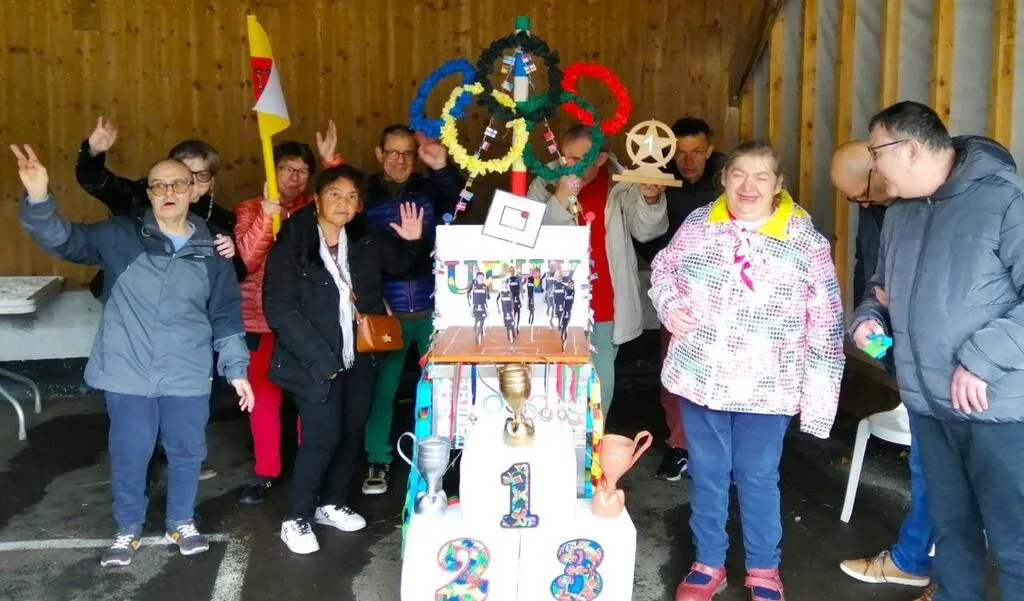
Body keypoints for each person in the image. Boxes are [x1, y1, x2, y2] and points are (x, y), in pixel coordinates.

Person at [14, 145, 255, 567]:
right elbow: (64, 239)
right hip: (127, 370)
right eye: (158, 184)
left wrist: (236, 370)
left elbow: (225, 315)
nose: (168, 192)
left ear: (193, 190)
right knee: (131, 451)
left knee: (187, 451)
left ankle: (181, 520)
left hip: (187, 371)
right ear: (148, 192)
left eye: (177, 184)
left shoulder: (212, 251)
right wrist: (38, 198)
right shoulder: (119, 237)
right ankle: (128, 526)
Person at [649, 140, 845, 601]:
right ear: (724, 179)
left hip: (767, 387)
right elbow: (664, 271)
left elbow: (827, 324)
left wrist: (818, 404)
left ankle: (763, 568)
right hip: (702, 380)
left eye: (761, 176)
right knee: (708, 471)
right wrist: (671, 304)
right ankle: (708, 561)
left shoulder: (804, 242)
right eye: (738, 174)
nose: (748, 185)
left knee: (757, 476)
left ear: (779, 185)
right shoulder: (700, 225)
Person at [851, 101, 1024, 601]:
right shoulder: (900, 214)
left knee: (1015, 544)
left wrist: (982, 359)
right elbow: (880, 288)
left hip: (1000, 411)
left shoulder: (1006, 201)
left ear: (911, 148)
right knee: (952, 535)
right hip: (928, 405)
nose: (873, 165)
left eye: (875, 152)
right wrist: (868, 319)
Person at [261, 164, 425, 555]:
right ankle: (297, 516)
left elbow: (400, 266)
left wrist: (412, 243)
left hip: (359, 358)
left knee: (351, 431)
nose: (343, 203)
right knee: (321, 437)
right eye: (335, 193)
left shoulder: (363, 241)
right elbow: (279, 308)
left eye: (352, 196)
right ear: (317, 199)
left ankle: (331, 503)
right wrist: (322, 360)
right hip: (313, 360)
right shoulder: (295, 242)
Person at [832, 140, 934, 600]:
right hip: (903, 351)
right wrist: (865, 317)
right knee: (930, 463)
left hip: (944, 360)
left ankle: (920, 563)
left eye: (860, 195)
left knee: (938, 465)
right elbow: (868, 271)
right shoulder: (881, 210)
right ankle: (916, 560)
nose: (859, 204)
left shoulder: (933, 210)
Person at [348, 124, 463, 496]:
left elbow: (460, 205)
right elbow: (349, 244)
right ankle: (377, 460)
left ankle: (440, 460)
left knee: (441, 390)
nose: (400, 160)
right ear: (379, 153)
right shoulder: (364, 193)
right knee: (381, 391)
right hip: (387, 314)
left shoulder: (430, 188)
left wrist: (443, 168)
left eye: (407, 154)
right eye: (393, 152)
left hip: (435, 309)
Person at [527, 124, 669, 416]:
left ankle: (592, 454)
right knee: (553, 382)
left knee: (597, 387)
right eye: (567, 157)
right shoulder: (546, 179)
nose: (570, 165)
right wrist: (560, 198)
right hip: (551, 301)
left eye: (581, 159)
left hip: (603, 300)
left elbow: (646, 231)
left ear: (602, 159)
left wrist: (651, 199)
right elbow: (530, 237)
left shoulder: (623, 180)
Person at [234, 132, 339, 505]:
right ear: (271, 170)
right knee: (263, 401)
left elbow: (343, 204)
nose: (294, 177)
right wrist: (268, 213)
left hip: (306, 321)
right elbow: (244, 262)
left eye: (302, 170)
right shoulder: (249, 209)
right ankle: (266, 471)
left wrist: (331, 164)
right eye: (286, 169)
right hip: (259, 322)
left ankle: (309, 468)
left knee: (310, 399)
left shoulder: (316, 208)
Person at [637, 117, 727, 482]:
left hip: (723, 297)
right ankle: (680, 448)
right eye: (680, 152)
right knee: (674, 374)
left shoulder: (730, 182)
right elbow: (643, 238)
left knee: (720, 373)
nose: (688, 160)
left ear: (710, 149)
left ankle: (717, 451)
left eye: (697, 151)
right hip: (676, 296)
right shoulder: (656, 182)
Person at [77, 117, 245, 296]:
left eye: (202, 174)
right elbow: (95, 181)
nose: (192, 181)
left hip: (184, 307)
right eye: (186, 173)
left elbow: (235, 275)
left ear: (211, 181)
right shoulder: (141, 196)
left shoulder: (221, 219)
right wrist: (93, 151)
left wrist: (230, 255)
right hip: (125, 299)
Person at [468, 271, 489, 344]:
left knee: (482, 320)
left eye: (482, 277)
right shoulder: (473, 286)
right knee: (477, 320)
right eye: (479, 277)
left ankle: (479, 334)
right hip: (475, 306)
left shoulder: (485, 286)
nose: (481, 278)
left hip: (483, 306)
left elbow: (487, 298)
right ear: (476, 278)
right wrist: (471, 308)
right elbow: (470, 297)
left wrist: (487, 308)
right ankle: (478, 327)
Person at [497, 278, 517, 345]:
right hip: (504, 313)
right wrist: (499, 309)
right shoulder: (501, 293)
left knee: (512, 325)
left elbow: (512, 303)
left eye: (505, 284)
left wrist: (512, 311)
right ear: (502, 286)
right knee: (507, 327)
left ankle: (513, 335)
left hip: (510, 312)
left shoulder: (510, 293)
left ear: (506, 285)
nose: (504, 285)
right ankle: (510, 339)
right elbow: (498, 301)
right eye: (503, 284)